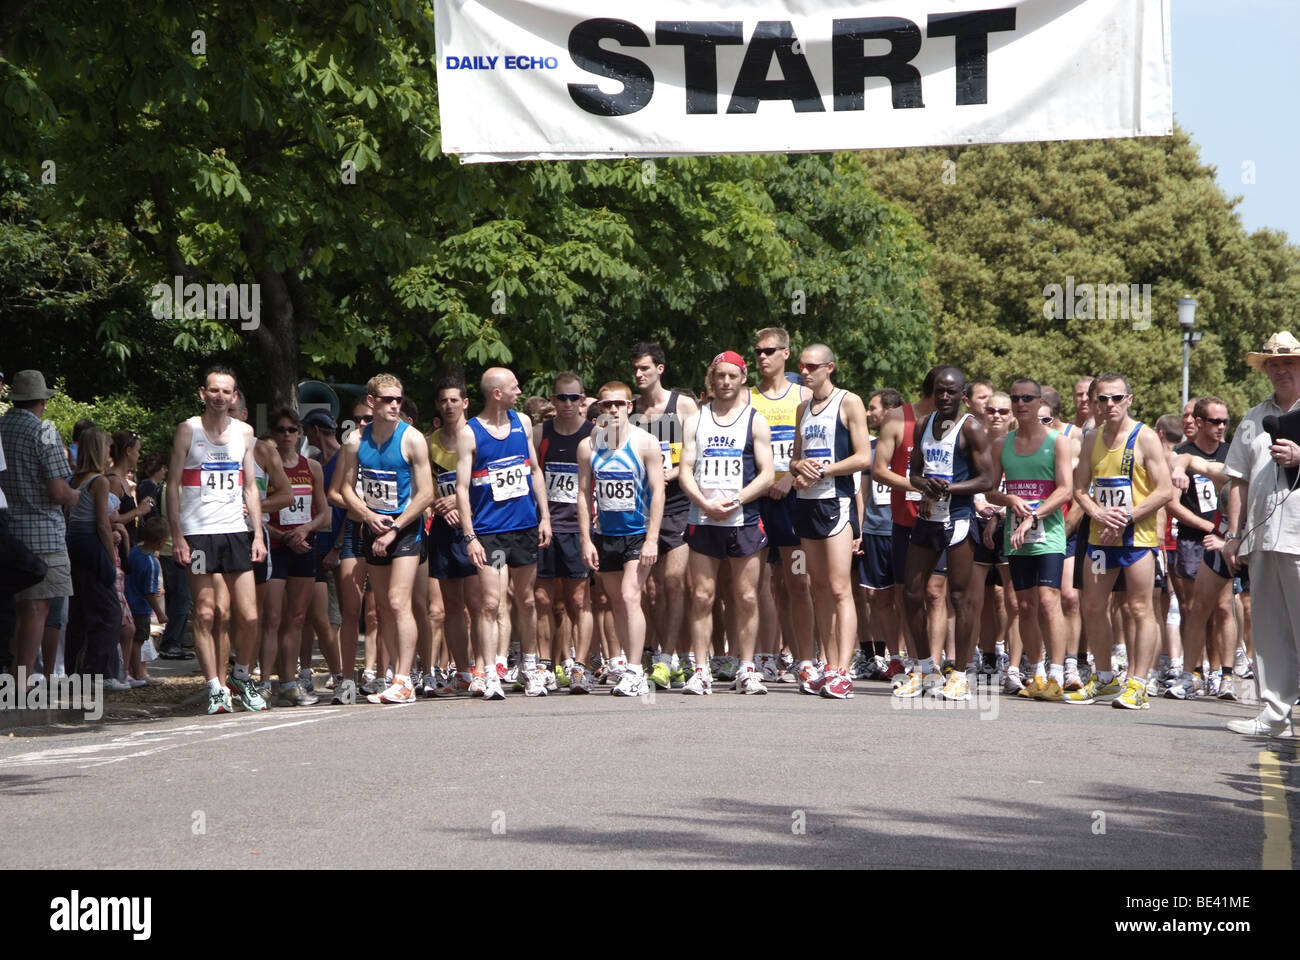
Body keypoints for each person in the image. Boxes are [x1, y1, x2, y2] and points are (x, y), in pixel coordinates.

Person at [167, 366, 269, 714]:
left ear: (235, 396)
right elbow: (172, 487)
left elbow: (251, 487)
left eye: (227, 392)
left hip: (235, 533)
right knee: (208, 613)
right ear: (203, 393)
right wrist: (177, 535)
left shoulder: (245, 433)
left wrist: (257, 533)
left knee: (250, 615)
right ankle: (214, 686)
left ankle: (241, 676)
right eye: (214, 391)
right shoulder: (188, 430)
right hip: (197, 535)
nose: (220, 397)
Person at [1069, 372, 1173, 709]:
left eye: (1116, 398)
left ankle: (1139, 682)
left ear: (1129, 399)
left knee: (1140, 607)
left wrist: (1128, 515)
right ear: (1094, 401)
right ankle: (1104, 679)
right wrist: (1098, 514)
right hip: (1101, 537)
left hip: (1136, 537)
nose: (1109, 405)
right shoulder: (1091, 439)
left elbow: (1164, 490)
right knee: (1093, 606)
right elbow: (1080, 489)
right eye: (1103, 398)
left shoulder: (1145, 438)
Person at [897, 366, 997, 702]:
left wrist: (949, 489)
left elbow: (987, 480)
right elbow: (913, 473)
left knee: (959, 597)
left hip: (958, 520)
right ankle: (926, 668)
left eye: (951, 392)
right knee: (911, 593)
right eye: (939, 390)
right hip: (927, 518)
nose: (944, 397)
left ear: (962, 395)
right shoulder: (924, 424)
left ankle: (962, 673)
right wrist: (926, 485)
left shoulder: (972, 429)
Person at [678, 352, 775, 695]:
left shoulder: (755, 420)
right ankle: (700, 668)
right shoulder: (695, 420)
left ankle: (747, 668)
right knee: (702, 596)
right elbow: (685, 470)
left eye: (732, 376)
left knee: (746, 595)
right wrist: (704, 503)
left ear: (743, 378)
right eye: (719, 376)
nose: (725, 382)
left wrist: (735, 501)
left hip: (744, 518)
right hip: (703, 519)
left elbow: (767, 475)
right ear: (711, 378)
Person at [337, 374, 435, 704]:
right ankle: (395, 676)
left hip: (405, 528)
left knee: (397, 600)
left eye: (399, 399)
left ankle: (406, 679)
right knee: (382, 607)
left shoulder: (413, 439)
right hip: (373, 526)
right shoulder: (355, 441)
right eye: (388, 400)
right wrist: (367, 515)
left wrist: (394, 528)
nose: (395, 405)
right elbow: (345, 489)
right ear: (371, 402)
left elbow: (426, 494)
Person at [455, 367, 552, 700]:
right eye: (514, 387)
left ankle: (530, 667)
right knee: (491, 604)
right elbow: (462, 488)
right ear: (497, 393)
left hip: (524, 528)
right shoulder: (470, 433)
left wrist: (545, 517)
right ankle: (487, 673)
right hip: (490, 534)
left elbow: (534, 471)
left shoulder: (522, 423)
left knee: (526, 600)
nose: (519, 390)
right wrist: (470, 537)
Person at [1221, 332, 1300, 736]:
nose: (1280, 369)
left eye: (1288, 361)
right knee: (1268, 627)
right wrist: (1233, 534)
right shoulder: (1253, 417)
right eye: (1273, 363)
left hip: (1299, 536)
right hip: (1263, 534)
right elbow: (1237, 479)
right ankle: (1274, 713)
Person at [788, 344, 872, 698]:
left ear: (829, 367)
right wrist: (799, 468)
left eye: (811, 366)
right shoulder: (802, 407)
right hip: (806, 502)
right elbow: (795, 458)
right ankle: (826, 663)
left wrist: (824, 469)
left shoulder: (848, 401)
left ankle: (843, 668)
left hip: (836, 502)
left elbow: (863, 456)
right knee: (816, 587)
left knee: (840, 588)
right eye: (801, 366)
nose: (804, 372)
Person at [576, 382, 664, 696]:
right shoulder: (588, 446)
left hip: (638, 534)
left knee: (630, 596)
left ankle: (637, 669)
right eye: (606, 405)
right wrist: (585, 540)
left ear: (629, 406)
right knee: (616, 602)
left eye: (618, 404)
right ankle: (630, 664)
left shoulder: (646, 443)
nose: (612, 410)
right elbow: (584, 495)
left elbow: (658, 493)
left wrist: (653, 538)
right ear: (598, 409)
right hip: (605, 535)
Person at [988, 379, 1074, 700]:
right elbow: (990, 489)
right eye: (1015, 398)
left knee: (1049, 601)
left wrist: (1035, 515)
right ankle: (1035, 673)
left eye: (1027, 398)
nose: (1020, 403)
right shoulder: (1001, 444)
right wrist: (1010, 501)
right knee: (1024, 605)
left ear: (1039, 403)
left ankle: (1057, 673)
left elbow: (1066, 489)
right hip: (1017, 536)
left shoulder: (1058, 442)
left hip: (1048, 533)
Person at [0, 371, 80, 682]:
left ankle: (8, 671)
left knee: (11, 607)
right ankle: (23, 679)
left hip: (7, 528)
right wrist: (74, 495)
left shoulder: (2, 427)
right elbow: (58, 491)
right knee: (37, 609)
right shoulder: (44, 431)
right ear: (43, 401)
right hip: (43, 532)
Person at [630, 343, 699, 686]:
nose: (639, 375)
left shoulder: (682, 405)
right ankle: (659, 652)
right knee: (651, 590)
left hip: (679, 502)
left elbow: (699, 450)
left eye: (644, 368)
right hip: (642, 505)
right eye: (635, 370)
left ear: (660, 369)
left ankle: (668, 658)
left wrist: (676, 472)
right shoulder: (631, 411)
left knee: (675, 584)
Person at [749, 327, 815, 683]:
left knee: (796, 582)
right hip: (757, 501)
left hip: (793, 498)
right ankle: (765, 657)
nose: (763, 356)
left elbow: (811, 449)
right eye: (758, 351)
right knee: (759, 584)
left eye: (770, 350)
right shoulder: (746, 398)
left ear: (786, 353)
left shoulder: (804, 396)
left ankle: (805, 658)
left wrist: (789, 477)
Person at [264, 408, 329, 706]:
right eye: (281, 430)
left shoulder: (312, 467)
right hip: (276, 548)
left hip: (303, 546)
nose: (287, 435)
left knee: (298, 618)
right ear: (273, 434)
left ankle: (289, 682)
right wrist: (281, 536)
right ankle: (265, 683)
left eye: (292, 429)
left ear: (300, 433)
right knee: (272, 617)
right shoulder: (264, 465)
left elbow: (324, 514)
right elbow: (255, 509)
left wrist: (303, 531)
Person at [535, 371, 595, 692]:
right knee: (543, 598)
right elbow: (532, 473)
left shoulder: (595, 434)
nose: (568, 403)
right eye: (562, 397)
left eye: (574, 398)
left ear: (583, 400)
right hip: (546, 526)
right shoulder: (539, 432)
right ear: (553, 400)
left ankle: (580, 666)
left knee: (577, 599)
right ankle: (545, 665)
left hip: (578, 527)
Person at [64, 426, 130, 687]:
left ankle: (75, 671)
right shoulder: (99, 481)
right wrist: (108, 556)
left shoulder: (74, 480)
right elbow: (102, 523)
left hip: (74, 544)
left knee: (80, 611)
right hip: (91, 544)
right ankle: (99, 673)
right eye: (106, 447)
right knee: (109, 610)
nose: (109, 452)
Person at [425, 374, 479, 695]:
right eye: (443, 401)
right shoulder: (428, 441)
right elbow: (423, 487)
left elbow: (485, 481)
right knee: (451, 605)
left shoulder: (477, 437)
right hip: (444, 531)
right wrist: (442, 504)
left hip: (475, 527)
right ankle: (462, 672)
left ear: (465, 403)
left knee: (480, 602)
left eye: (454, 400)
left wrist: (461, 501)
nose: (449, 406)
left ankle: (484, 667)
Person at [326, 397, 375, 703]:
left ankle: (382, 674)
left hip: (389, 533)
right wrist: (360, 507)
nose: (362, 424)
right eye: (358, 418)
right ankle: (346, 679)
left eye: (367, 418)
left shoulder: (398, 444)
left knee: (383, 610)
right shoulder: (351, 445)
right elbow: (333, 493)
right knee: (350, 610)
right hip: (355, 533)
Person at [125, 515, 169, 686]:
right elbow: (149, 592)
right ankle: (139, 673)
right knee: (139, 640)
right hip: (140, 607)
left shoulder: (135, 551)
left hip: (128, 601)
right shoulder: (151, 563)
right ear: (161, 541)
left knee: (132, 640)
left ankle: (131, 671)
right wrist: (160, 613)